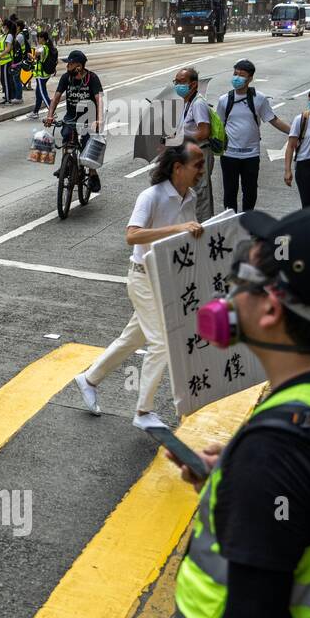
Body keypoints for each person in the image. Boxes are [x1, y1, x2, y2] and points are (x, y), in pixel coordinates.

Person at [171, 207, 310, 618]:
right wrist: (235, 480)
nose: (231, 291)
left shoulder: (278, 450)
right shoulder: (306, 417)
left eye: (245, 276)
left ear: (269, 309)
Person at [72, 140, 206, 428]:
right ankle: (144, 412)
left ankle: (89, 378)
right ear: (178, 168)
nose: (202, 170)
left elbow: (186, 237)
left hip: (168, 279)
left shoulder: (191, 197)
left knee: (132, 338)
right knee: (161, 342)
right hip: (142, 276)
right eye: (198, 164)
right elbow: (132, 236)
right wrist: (179, 228)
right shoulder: (152, 196)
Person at [215, 59, 289, 213]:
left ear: (250, 79)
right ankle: (230, 222)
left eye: (241, 75)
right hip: (229, 154)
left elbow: (273, 120)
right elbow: (219, 125)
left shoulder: (259, 98)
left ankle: (248, 221)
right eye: (235, 74)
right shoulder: (224, 100)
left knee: (250, 191)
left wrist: (296, 132)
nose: (237, 78)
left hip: (251, 154)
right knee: (230, 191)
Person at [43, 49, 104, 192]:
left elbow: (99, 99)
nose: (67, 66)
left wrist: (99, 120)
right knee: (66, 135)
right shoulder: (66, 78)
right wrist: (50, 116)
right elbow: (56, 98)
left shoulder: (92, 78)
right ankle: (67, 164)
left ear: (79, 66)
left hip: (89, 118)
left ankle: (93, 173)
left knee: (89, 144)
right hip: (71, 117)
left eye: (70, 64)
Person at [172, 66, 215, 222]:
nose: (178, 85)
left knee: (201, 193)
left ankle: (204, 228)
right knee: (194, 191)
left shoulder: (198, 104)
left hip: (201, 153)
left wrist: (181, 140)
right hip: (192, 154)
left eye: (182, 82)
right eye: (176, 82)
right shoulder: (188, 102)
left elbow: (204, 132)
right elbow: (190, 129)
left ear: (194, 84)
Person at [29, 28, 56, 118]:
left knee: (43, 93)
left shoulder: (44, 47)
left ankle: (52, 112)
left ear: (42, 38)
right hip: (45, 74)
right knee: (38, 93)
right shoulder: (49, 46)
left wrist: (32, 56)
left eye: (38, 38)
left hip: (41, 75)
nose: (37, 39)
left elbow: (38, 53)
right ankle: (35, 112)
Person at [0, 18, 15, 104]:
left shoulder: (9, 36)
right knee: (3, 80)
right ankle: (8, 96)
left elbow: (8, 49)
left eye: (3, 25)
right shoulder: (4, 35)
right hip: (3, 62)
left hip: (7, 61)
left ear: (6, 26)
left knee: (6, 80)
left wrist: (0, 56)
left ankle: (8, 99)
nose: (2, 27)